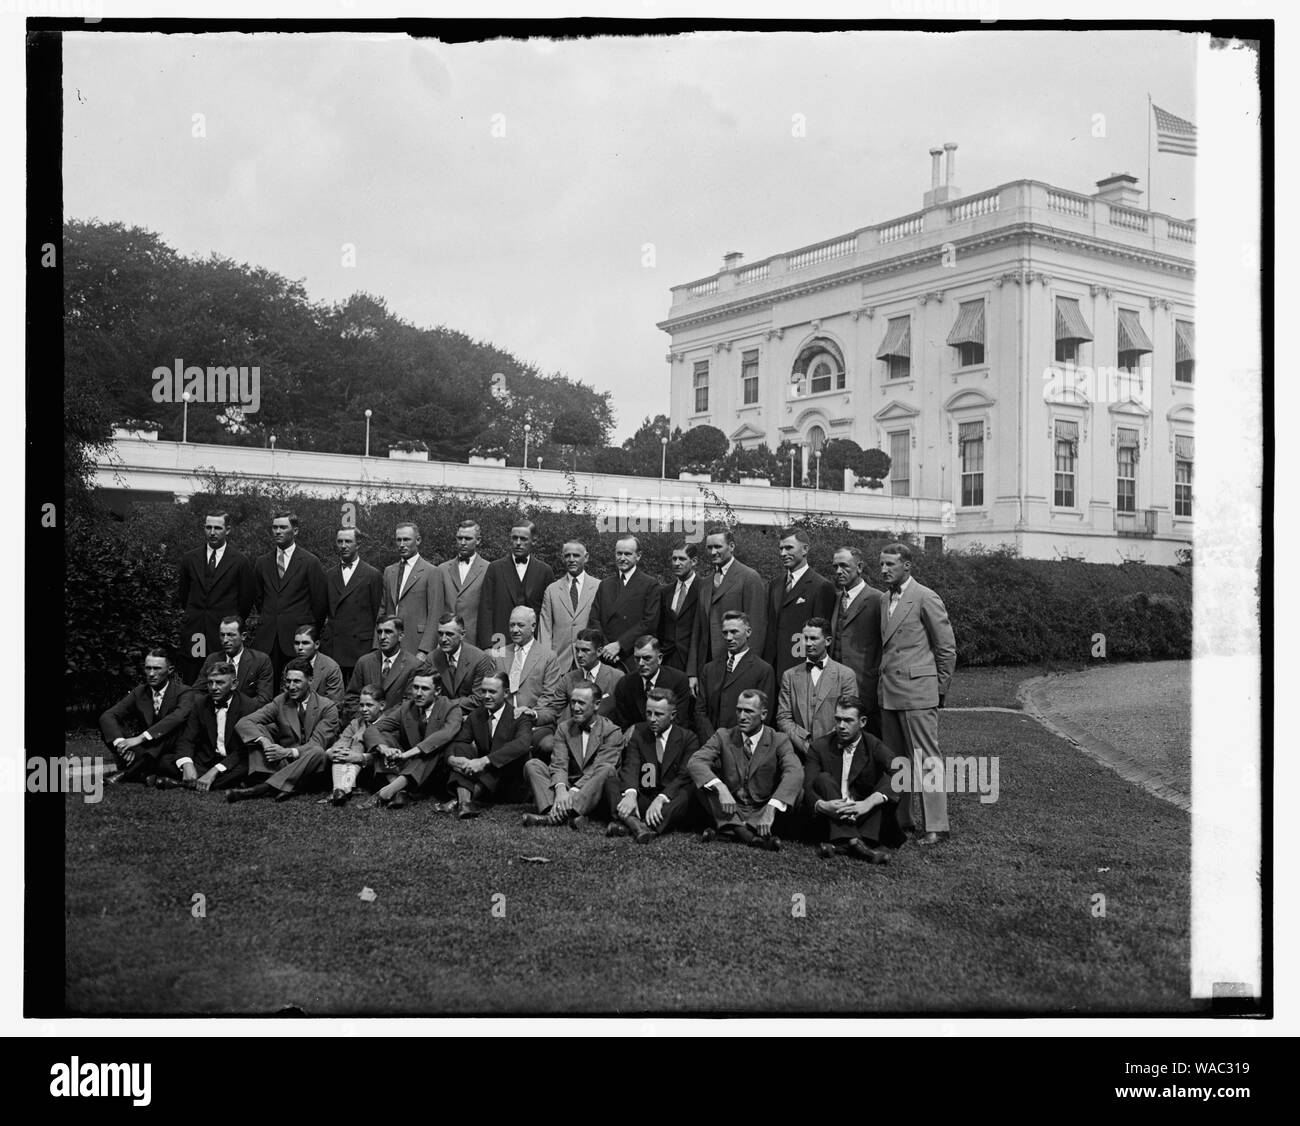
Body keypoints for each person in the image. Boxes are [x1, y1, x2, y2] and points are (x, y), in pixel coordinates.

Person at [878, 542, 956, 846]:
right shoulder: (885, 599)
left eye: (890, 565)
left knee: (927, 760)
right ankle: (903, 820)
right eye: (882, 564)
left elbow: (946, 648)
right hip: (889, 692)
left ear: (907, 565)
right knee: (898, 761)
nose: (884, 570)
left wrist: (939, 689)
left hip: (919, 692)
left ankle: (937, 826)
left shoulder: (925, 597)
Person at [687, 688, 803, 852]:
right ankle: (752, 836)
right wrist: (721, 788)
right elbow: (696, 761)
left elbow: (795, 771)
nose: (741, 716)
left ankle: (730, 831)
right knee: (702, 785)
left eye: (748, 711)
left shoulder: (779, 740)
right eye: (739, 710)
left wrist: (771, 808)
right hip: (731, 807)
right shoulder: (723, 735)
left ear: (763, 714)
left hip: (763, 807)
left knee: (797, 792)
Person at [227, 657, 340, 802]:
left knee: (318, 752)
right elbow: (244, 722)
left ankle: (261, 788)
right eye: (288, 681)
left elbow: (317, 744)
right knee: (258, 730)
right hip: (285, 764)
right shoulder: (281, 701)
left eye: (297, 681)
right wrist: (264, 741)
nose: (291, 686)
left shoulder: (327, 707)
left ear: (310, 680)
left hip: (313, 767)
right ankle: (287, 784)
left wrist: (286, 752)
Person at [805, 696, 903, 863]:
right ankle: (858, 845)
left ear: (862, 722)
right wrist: (822, 806)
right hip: (831, 817)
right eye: (838, 719)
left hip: (863, 815)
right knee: (822, 779)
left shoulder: (873, 745)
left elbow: (903, 774)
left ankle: (843, 844)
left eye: (848, 720)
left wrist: (869, 803)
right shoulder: (819, 746)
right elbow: (807, 786)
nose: (841, 726)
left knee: (884, 782)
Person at [522, 682, 623, 830]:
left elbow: (598, 767)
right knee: (533, 765)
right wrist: (561, 789)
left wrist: (573, 792)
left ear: (596, 705)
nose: (575, 708)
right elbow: (559, 763)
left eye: (581, 703)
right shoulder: (564, 728)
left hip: (594, 790)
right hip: (569, 781)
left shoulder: (612, 731)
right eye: (573, 702)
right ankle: (562, 812)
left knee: (606, 769)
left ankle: (554, 816)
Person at [605, 688, 701, 843]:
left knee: (689, 790)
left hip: (670, 801)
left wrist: (662, 798)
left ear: (673, 715)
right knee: (611, 781)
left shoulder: (688, 738)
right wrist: (631, 793)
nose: (652, 719)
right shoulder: (639, 732)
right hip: (644, 797)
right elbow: (631, 764)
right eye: (648, 713)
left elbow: (684, 776)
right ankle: (634, 823)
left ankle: (640, 825)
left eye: (659, 714)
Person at [361, 666, 463, 809]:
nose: (418, 693)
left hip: (436, 770)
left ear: (437, 691)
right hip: (408, 766)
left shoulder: (451, 708)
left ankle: (385, 793)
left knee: (432, 749)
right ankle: (399, 790)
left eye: (425, 689)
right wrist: (384, 749)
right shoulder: (407, 707)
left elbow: (444, 735)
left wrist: (406, 754)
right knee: (383, 736)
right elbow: (373, 729)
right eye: (415, 687)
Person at [176, 510, 256, 683]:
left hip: (222, 631)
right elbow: (184, 595)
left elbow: (246, 600)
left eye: (217, 528)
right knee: (193, 677)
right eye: (208, 527)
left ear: (227, 530)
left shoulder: (239, 561)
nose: (212, 532)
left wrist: (230, 623)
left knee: (220, 675)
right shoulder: (190, 558)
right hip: (196, 631)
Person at [251, 510, 329, 685]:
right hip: (268, 638)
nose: (278, 531)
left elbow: (319, 603)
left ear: (295, 531)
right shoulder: (262, 562)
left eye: (283, 527)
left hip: (296, 639)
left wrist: (307, 631)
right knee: (266, 688)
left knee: (296, 688)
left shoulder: (310, 562)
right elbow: (259, 598)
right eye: (275, 527)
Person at [444, 673, 536, 819]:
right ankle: (465, 803)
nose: (486, 696)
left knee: (508, 755)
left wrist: (484, 761)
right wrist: (452, 759)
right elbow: (459, 742)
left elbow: (523, 744)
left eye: (492, 692)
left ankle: (459, 799)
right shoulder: (476, 715)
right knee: (462, 748)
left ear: (506, 693)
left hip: (509, 785)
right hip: (485, 784)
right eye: (483, 691)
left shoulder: (519, 716)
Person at [100, 648, 195, 786]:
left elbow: (177, 717)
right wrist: (122, 744)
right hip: (146, 750)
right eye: (148, 668)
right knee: (109, 726)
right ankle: (143, 771)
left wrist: (140, 738)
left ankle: (127, 773)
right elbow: (108, 716)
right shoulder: (140, 691)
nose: (151, 674)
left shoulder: (184, 692)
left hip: (169, 749)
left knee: (173, 730)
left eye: (157, 669)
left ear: (170, 670)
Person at [688, 528, 767, 685]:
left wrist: (748, 670)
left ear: (731, 546)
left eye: (718, 547)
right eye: (709, 547)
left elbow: (756, 628)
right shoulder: (705, 583)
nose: (713, 552)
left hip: (736, 665)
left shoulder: (749, 577)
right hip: (708, 667)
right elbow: (697, 630)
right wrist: (692, 672)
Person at [774, 618, 859, 759]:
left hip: (835, 753)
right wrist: (806, 745)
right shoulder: (789, 676)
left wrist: (824, 746)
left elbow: (849, 717)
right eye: (805, 638)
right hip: (799, 753)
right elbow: (783, 718)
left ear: (828, 641)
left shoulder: (845, 675)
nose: (808, 643)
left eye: (813, 638)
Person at [173, 661, 260, 792]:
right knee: (167, 760)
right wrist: (187, 764)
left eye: (220, 683)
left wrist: (214, 771)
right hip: (207, 760)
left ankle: (191, 781)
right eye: (210, 682)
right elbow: (187, 739)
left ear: (234, 684)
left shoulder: (248, 706)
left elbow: (243, 750)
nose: (213, 688)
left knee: (250, 766)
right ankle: (217, 782)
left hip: (233, 761)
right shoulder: (200, 703)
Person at [531, 629, 622, 754]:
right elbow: (553, 710)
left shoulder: (616, 677)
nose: (579, 655)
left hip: (603, 736)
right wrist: (534, 714)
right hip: (573, 735)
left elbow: (623, 714)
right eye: (577, 650)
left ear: (599, 651)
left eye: (585, 650)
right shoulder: (569, 678)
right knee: (546, 744)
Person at [762, 528, 836, 680]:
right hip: (772, 670)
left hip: (802, 672)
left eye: (789, 548)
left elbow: (820, 637)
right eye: (781, 548)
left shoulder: (821, 586)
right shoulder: (774, 584)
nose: (783, 553)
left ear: (805, 549)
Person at [830, 546, 884, 739]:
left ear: (859, 567)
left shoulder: (878, 599)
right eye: (835, 566)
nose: (838, 571)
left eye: (844, 565)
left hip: (866, 687)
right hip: (837, 685)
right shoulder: (836, 599)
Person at [321, 526, 384, 689]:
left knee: (359, 693)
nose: (343, 545)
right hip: (334, 646)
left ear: (359, 544)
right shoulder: (329, 575)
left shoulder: (372, 575)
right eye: (340, 541)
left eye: (348, 541)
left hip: (360, 647)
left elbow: (378, 613)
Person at [696, 611, 776, 739]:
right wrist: (713, 741)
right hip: (711, 744)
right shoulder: (709, 669)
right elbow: (700, 711)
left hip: (743, 746)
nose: (728, 637)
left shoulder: (763, 670)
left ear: (748, 632)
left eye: (734, 632)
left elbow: (763, 715)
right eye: (725, 632)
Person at [477, 520, 554, 650]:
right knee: (499, 669)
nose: (518, 543)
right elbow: (486, 609)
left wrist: (543, 646)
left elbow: (548, 613)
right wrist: (489, 646)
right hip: (500, 640)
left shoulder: (545, 571)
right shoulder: (495, 568)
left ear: (533, 541)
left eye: (523, 539)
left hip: (533, 644)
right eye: (514, 538)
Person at [590, 536, 662, 673]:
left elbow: (649, 622)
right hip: (606, 657)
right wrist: (606, 648)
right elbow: (594, 619)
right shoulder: (605, 584)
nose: (622, 558)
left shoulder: (649, 584)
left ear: (638, 556)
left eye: (627, 554)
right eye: (619, 553)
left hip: (633, 655)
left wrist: (620, 645)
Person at [379, 521, 441, 661]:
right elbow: (383, 610)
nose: (402, 544)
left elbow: (435, 615)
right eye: (398, 540)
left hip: (416, 643)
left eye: (406, 539)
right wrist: (377, 645)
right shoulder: (389, 571)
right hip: (390, 644)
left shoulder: (431, 571)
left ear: (418, 540)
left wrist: (425, 650)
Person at [611, 634, 698, 733]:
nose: (641, 663)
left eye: (647, 658)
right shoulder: (625, 684)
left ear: (660, 658)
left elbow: (680, 721)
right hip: (637, 741)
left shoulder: (678, 680)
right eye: (637, 658)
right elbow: (623, 724)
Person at [537, 539, 597, 671]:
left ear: (586, 557)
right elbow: (545, 629)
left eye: (576, 555)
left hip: (589, 662)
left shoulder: (598, 587)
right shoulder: (552, 590)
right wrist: (546, 660)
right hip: (559, 662)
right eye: (567, 555)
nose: (571, 559)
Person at [343, 615, 418, 719]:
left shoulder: (413, 665)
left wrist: (380, 723)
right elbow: (351, 698)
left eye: (388, 632)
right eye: (379, 632)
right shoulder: (364, 662)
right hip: (363, 725)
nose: (382, 637)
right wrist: (363, 721)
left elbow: (408, 704)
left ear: (401, 636)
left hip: (395, 727)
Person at [496, 606, 564, 720]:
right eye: (512, 625)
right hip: (502, 721)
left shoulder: (548, 657)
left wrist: (531, 713)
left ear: (533, 627)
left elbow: (549, 696)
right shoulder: (499, 654)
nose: (515, 630)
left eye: (520, 625)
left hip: (534, 720)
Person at [191, 616, 274, 706]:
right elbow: (197, 692)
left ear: (243, 636)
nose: (225, 640)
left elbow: (264, 699)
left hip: (247, 716)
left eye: (231, 635)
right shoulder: (212, 659)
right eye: (222, 635)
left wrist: (235, 711)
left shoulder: (260, 660)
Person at [324, 684, 385, 806]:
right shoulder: (356, 723)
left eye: (369, 705)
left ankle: (340, 789)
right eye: (361, 705)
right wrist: (335, 751)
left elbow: (382, 755)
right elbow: (342, 741)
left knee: (357, 744)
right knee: (342, 751)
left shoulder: (388, 724)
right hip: (351, 768)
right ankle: (340, 790)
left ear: (382, 705)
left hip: (376, 771)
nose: (364, 709)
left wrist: (360, 757)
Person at [436, 520, 490, 650]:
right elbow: (436, 609)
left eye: (468, 538)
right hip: (445, 642)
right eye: (460, 538)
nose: (463, 543)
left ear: (478, 540)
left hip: (475, 642)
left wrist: (494, 646)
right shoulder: (442, 569)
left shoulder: (489, 569)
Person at [430, 613, 497, 710]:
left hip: (469, 717)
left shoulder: (480, 659)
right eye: (440, 634)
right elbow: (429, 695)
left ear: (462, 635)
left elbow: (478, 698)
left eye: (449, 634)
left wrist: (445, 705)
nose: (443, 639)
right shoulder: (432, 658)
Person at [657, 541, 700, 673]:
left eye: (681, 559)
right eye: (674, 559)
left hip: (693, 662)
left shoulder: (704, 589)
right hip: (667, 660)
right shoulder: (665, 592)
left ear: (693, 561)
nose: (676, 563)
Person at [292, 623, 345, 703]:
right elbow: (284, 702)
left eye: (305, 643)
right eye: (297, 643)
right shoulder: (290, 666)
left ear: (317, 644)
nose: (300, 648)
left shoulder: (331, 668)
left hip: (320, 714)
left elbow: (334, 705)